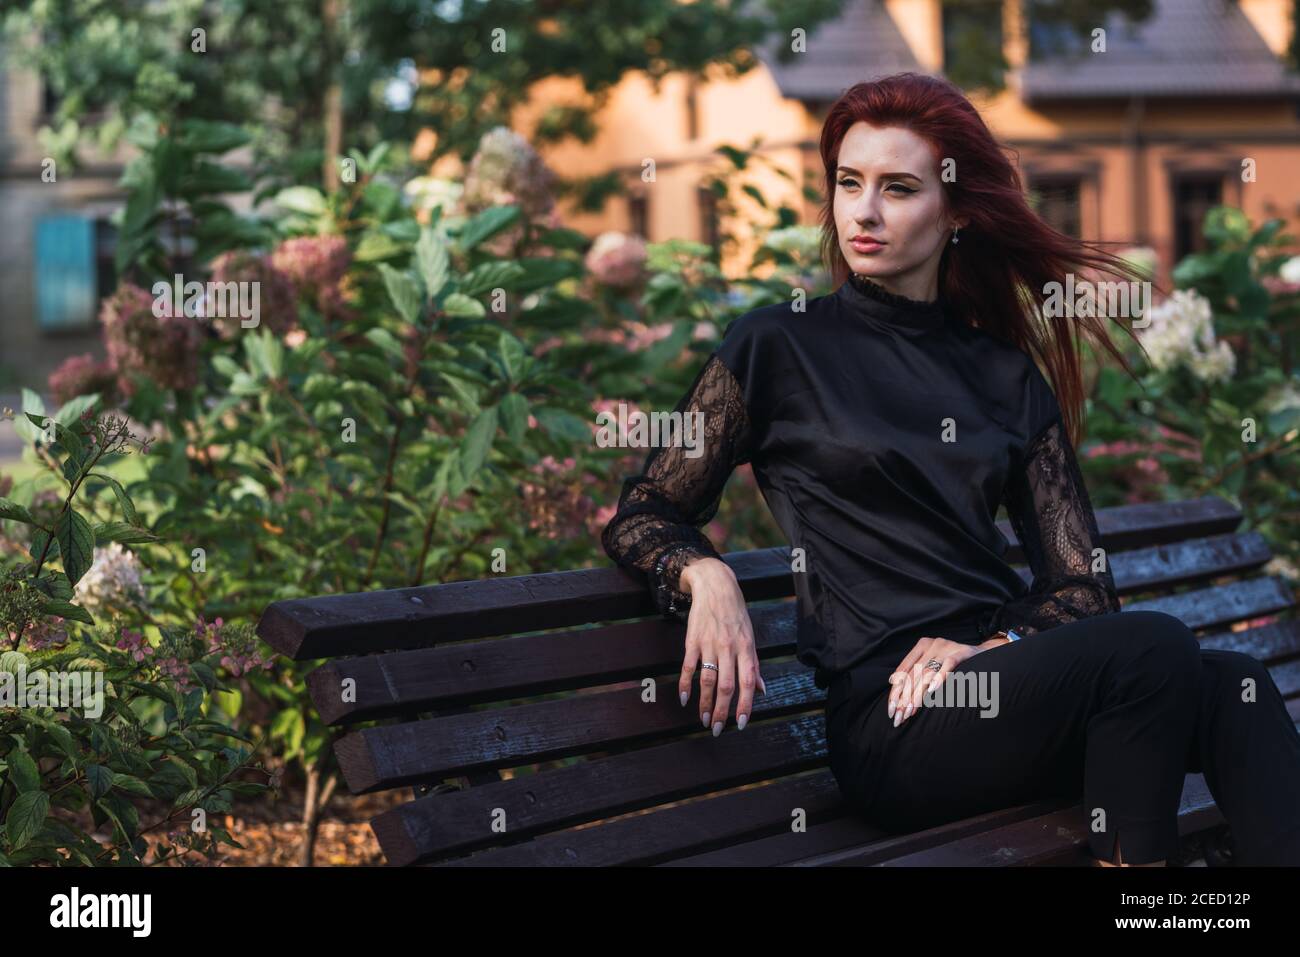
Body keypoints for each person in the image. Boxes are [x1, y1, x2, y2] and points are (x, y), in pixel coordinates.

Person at [599, 72, 1300, 867]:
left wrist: (996, 641)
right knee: (1153, 650)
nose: (863, 211)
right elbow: (645, 509)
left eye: (898, 188)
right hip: (894, 724)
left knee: (1233, 685)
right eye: (848, 183)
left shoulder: (1002, 374)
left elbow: (1082, 589)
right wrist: (707, 576)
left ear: (958, 210)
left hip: (1008, 689)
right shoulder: (778, 347)